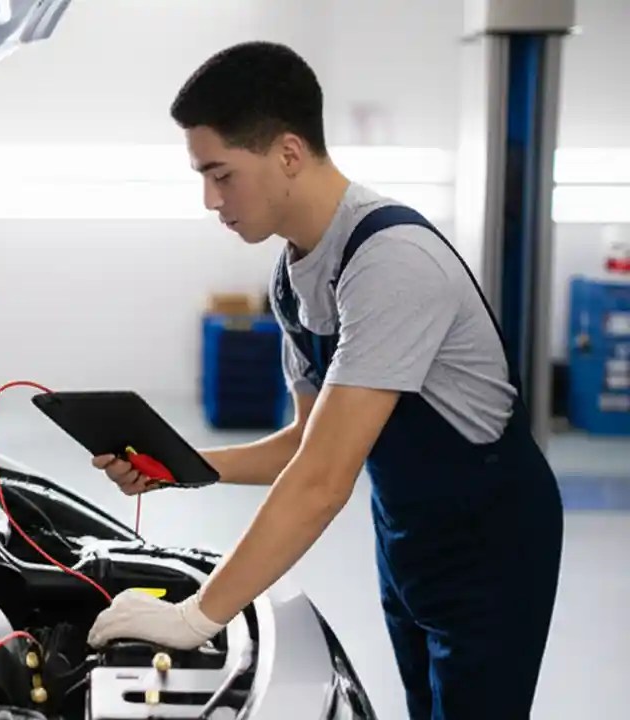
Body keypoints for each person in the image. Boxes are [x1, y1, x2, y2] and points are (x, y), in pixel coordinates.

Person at [85, 41, 563, 719]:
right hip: (408, 534)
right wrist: (180, 467)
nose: (209, 199)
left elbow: (322, 481)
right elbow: (306, 442)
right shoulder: (293, 274)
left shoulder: (389, 264)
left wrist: (197, 616)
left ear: (287, 153)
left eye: (221, 174)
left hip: (491, 539)